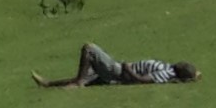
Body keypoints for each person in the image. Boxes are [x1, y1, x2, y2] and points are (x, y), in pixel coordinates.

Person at [34, 41, 197, 87]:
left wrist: (127, 69)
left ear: (179, 71)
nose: (184, 63)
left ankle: (78, 83)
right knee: (86, 76)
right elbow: (195, 75)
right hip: (120, 70)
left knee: (89, 49)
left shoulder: (166, 74)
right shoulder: (169, 69)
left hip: (119, 71)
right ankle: (48, 83)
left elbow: (142, 80)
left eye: (185, 66)